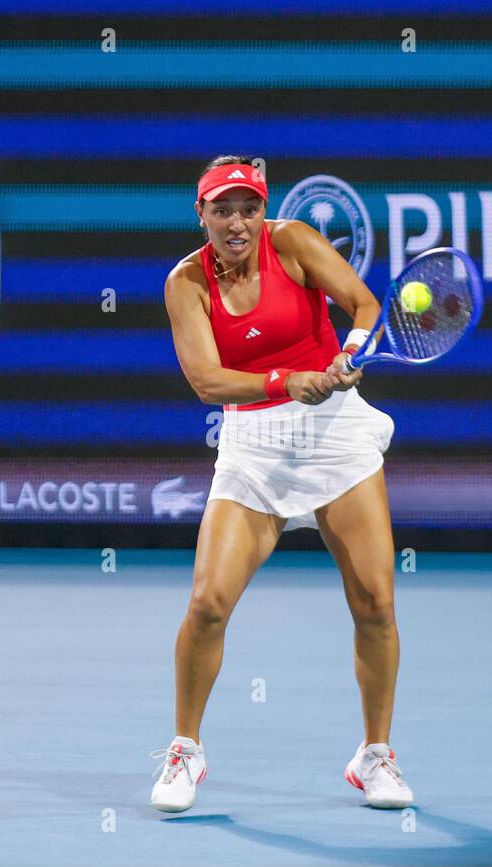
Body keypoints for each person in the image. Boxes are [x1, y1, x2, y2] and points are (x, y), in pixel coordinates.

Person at [153, 155, 413, 812]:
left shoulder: (294, 242)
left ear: (262, 210)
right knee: (208, 603)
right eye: (222, 209)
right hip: (254, 446)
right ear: (201, 213)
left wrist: (348, 355)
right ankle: (185, 750)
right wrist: (284, 382)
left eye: (248, 207)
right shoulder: (186, 283)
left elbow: (363, 302)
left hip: (336, 437)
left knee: (376, 601)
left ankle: (375, 755)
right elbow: (207, 381)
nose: (237, 222)